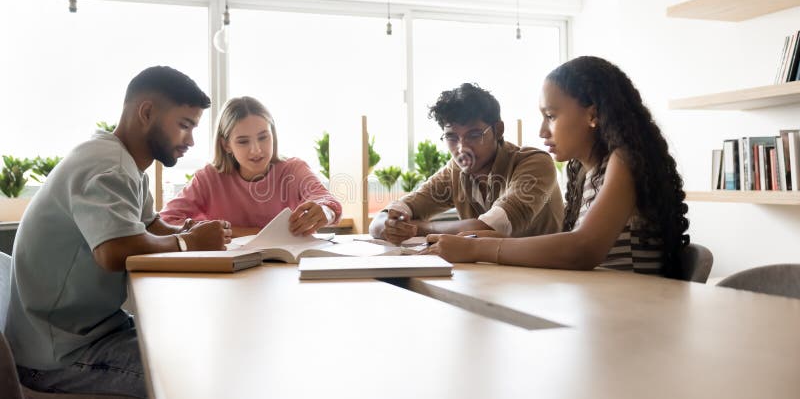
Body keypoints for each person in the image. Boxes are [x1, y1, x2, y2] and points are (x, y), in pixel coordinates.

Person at [5, 66, 231, 398]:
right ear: (147, 112)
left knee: (198, 347)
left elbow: (150, 225)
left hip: (86, 332)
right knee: (198, 378)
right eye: (185, 125)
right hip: (60, 354)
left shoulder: (122, 161)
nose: (191, 141)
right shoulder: (108, 166)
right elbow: (113, 250)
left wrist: (186, 231)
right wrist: (189, 241)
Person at [423, 56, 690, 278]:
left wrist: (477, 249)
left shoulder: (623, 161)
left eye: (550, 116)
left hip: (634, 312)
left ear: (592, 115)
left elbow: (583, 249)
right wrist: (481, 243)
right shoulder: (586, 172)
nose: (541, 131)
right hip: (604, 304)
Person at [369, 83, 564, 245]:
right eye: (451, 137)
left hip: (547, 277)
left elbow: (490, 228)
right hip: (490, 275)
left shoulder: (534, 164)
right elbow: (381, 220)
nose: (462, 148)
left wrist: (419, 228)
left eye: (474, 135)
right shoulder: (456, 169)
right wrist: (391, 225)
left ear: (498, 130)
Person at [160, 96, 342, 237]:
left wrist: (326, 211)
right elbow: (166, 220)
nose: (256, 150)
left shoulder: (293, 169)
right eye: (243, 142)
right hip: (230, 271)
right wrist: (234, 231)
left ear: (273, 134)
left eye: (263, 137)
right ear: (226, 145)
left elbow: (327, 201)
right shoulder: (209, 178)